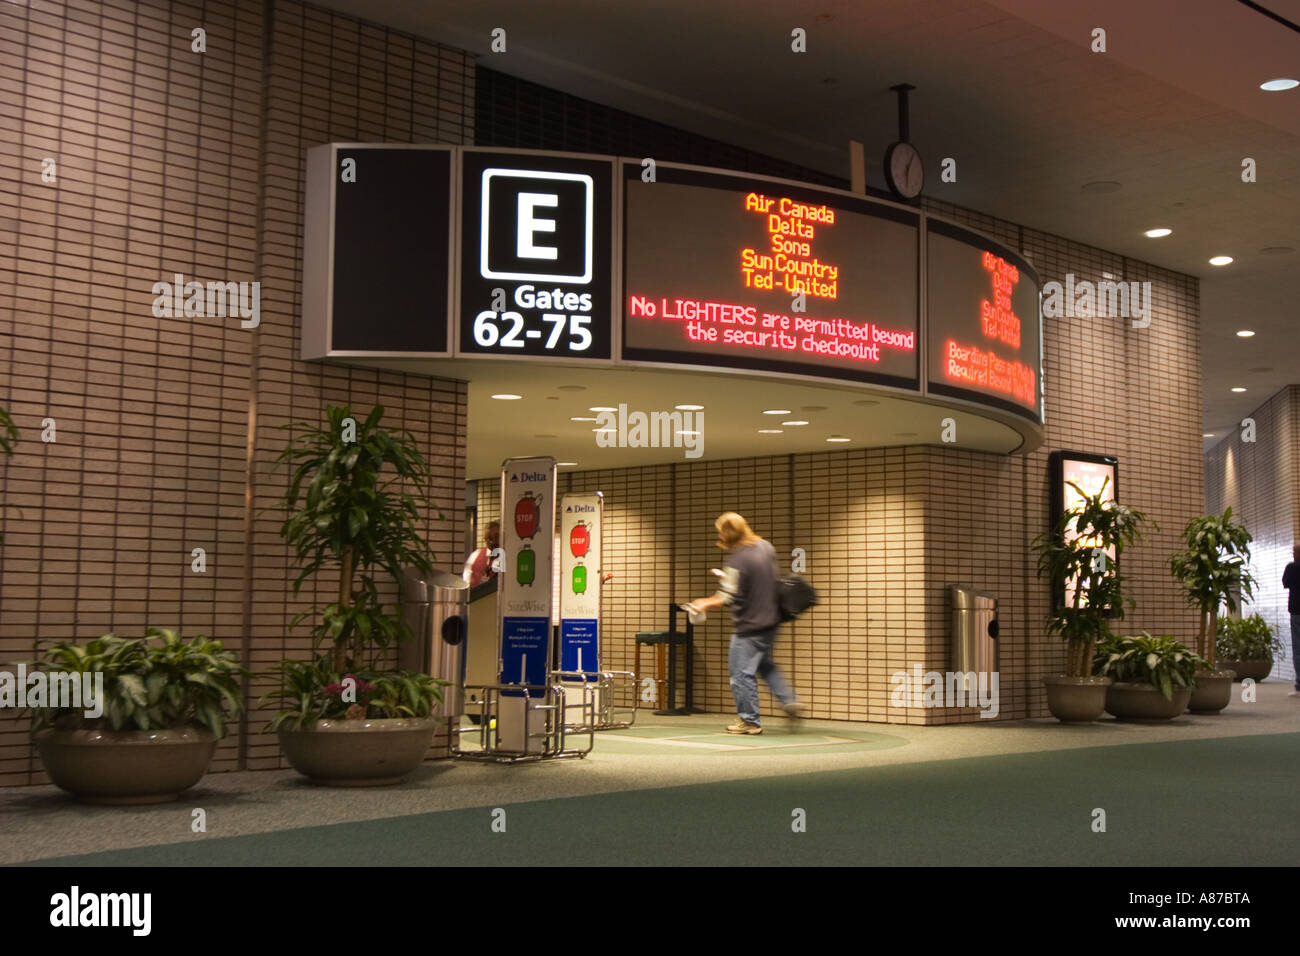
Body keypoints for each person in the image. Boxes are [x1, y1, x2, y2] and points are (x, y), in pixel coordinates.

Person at [684, 512, 802, 734]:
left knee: (740, 673)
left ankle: (750, 721)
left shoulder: (738, 559)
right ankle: (789, 700)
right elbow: (760, 581)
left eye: (720, 531)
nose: (719, 535)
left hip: (750, 625)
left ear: (729, 532)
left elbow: (728, 596)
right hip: (772, 620)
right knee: (764, 665)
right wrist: (728, 577)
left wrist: (703, 603)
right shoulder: (766, 547)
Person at [462, 520, 500, 587]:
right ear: (484, 539)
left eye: (497, 537)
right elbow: (465, 582)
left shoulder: (509, 557)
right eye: (489, 538)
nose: (493, 541)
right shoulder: (475, 556)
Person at [1284, 545, 1300, 697]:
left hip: (1296, 611)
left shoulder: (1292, 567)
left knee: (1298, 648)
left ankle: (1299, 685)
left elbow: (1285, 583)